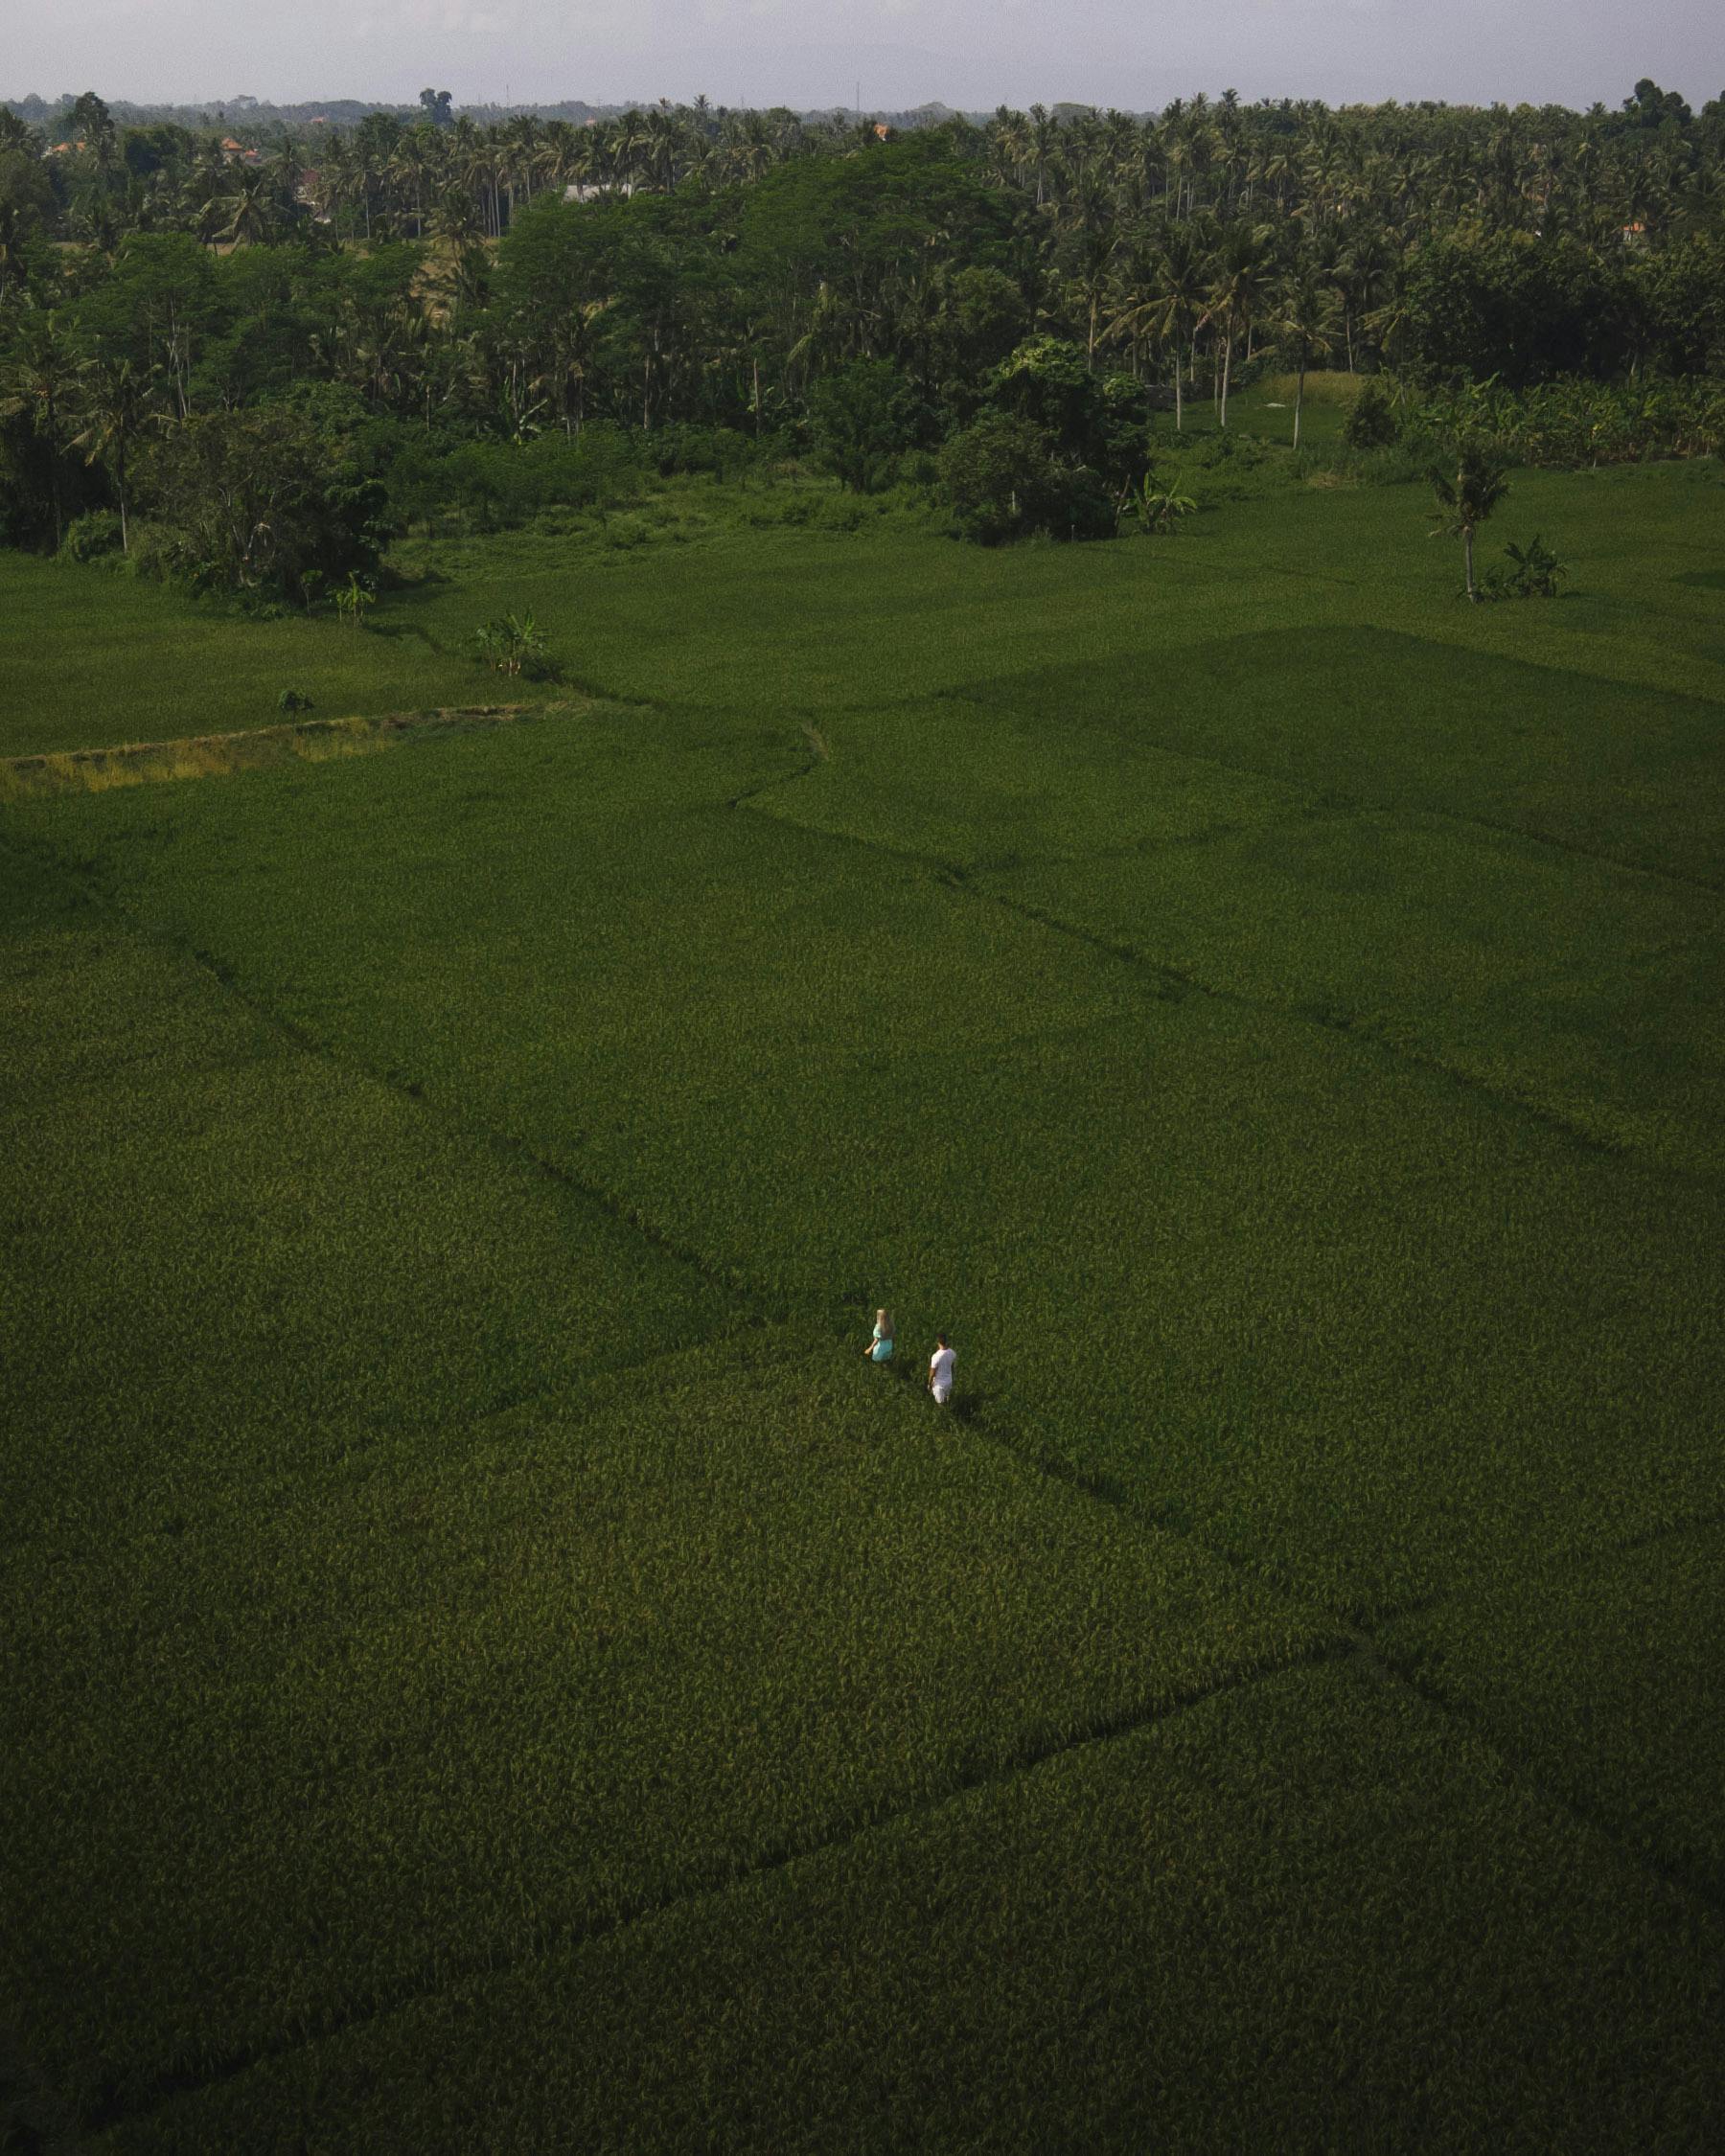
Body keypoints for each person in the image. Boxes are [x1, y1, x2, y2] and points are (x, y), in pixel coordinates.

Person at [927, 1333, 956, 1406]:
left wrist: (929, 1383)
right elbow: (952, 1366)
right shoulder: (952, 1352)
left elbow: (932, 1372)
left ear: (938, 1342)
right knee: (947, 1401)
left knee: (940, 1405)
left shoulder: (936, 1356)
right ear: (946, 1341)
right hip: (949, 1382)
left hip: (939, 1385)